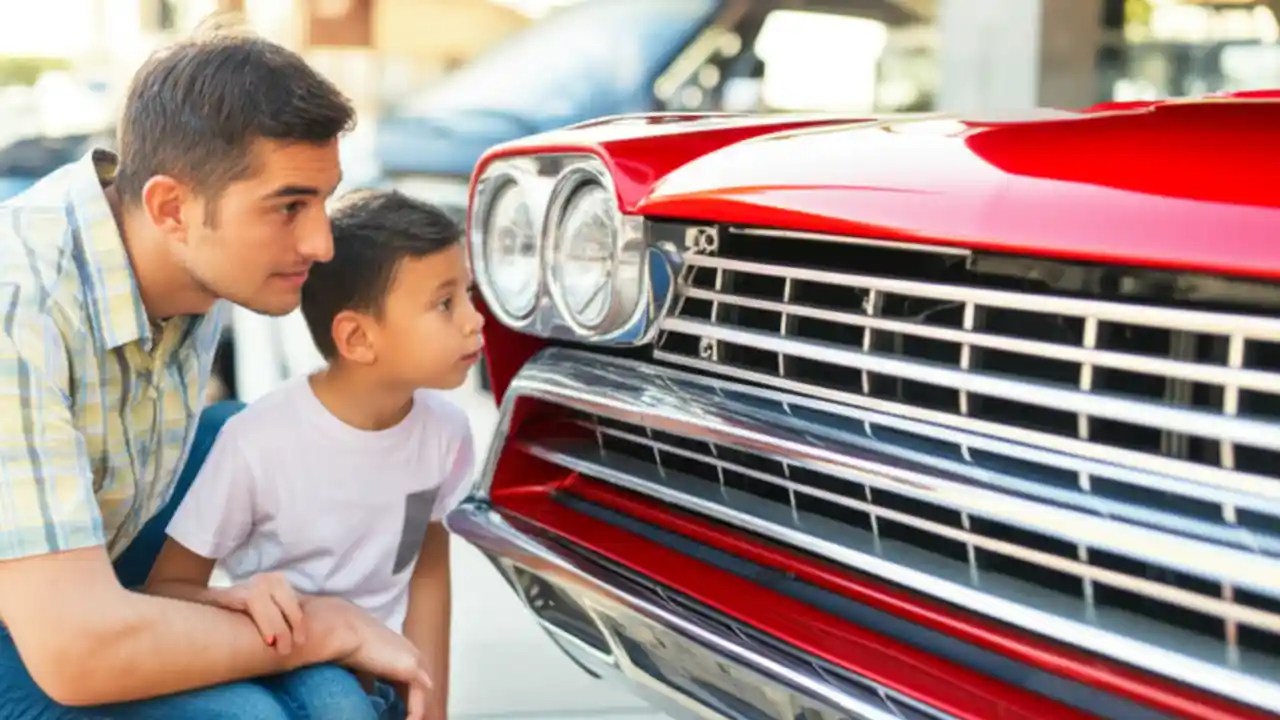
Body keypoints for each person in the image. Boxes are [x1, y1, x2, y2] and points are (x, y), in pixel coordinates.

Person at [0, 29, 434, 720]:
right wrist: (325, 626)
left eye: (324, 202)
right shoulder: (17, 304)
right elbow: (75, 651)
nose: (321, 244)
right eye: (289, 206)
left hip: (91, 564)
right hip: (36, 623)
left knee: (337, 703)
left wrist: (211, 609)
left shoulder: (189, 265)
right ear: (171, 207)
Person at [145, 190, 485, 720]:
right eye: (446, 303)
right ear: (356, 337)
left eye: (468, 293)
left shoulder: (444, 434)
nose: (474, 320)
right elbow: (169, 586)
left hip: (382, 665)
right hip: (286, 660)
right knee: (340, 706)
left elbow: (424, 569)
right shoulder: (258, 442)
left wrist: (432, 704)